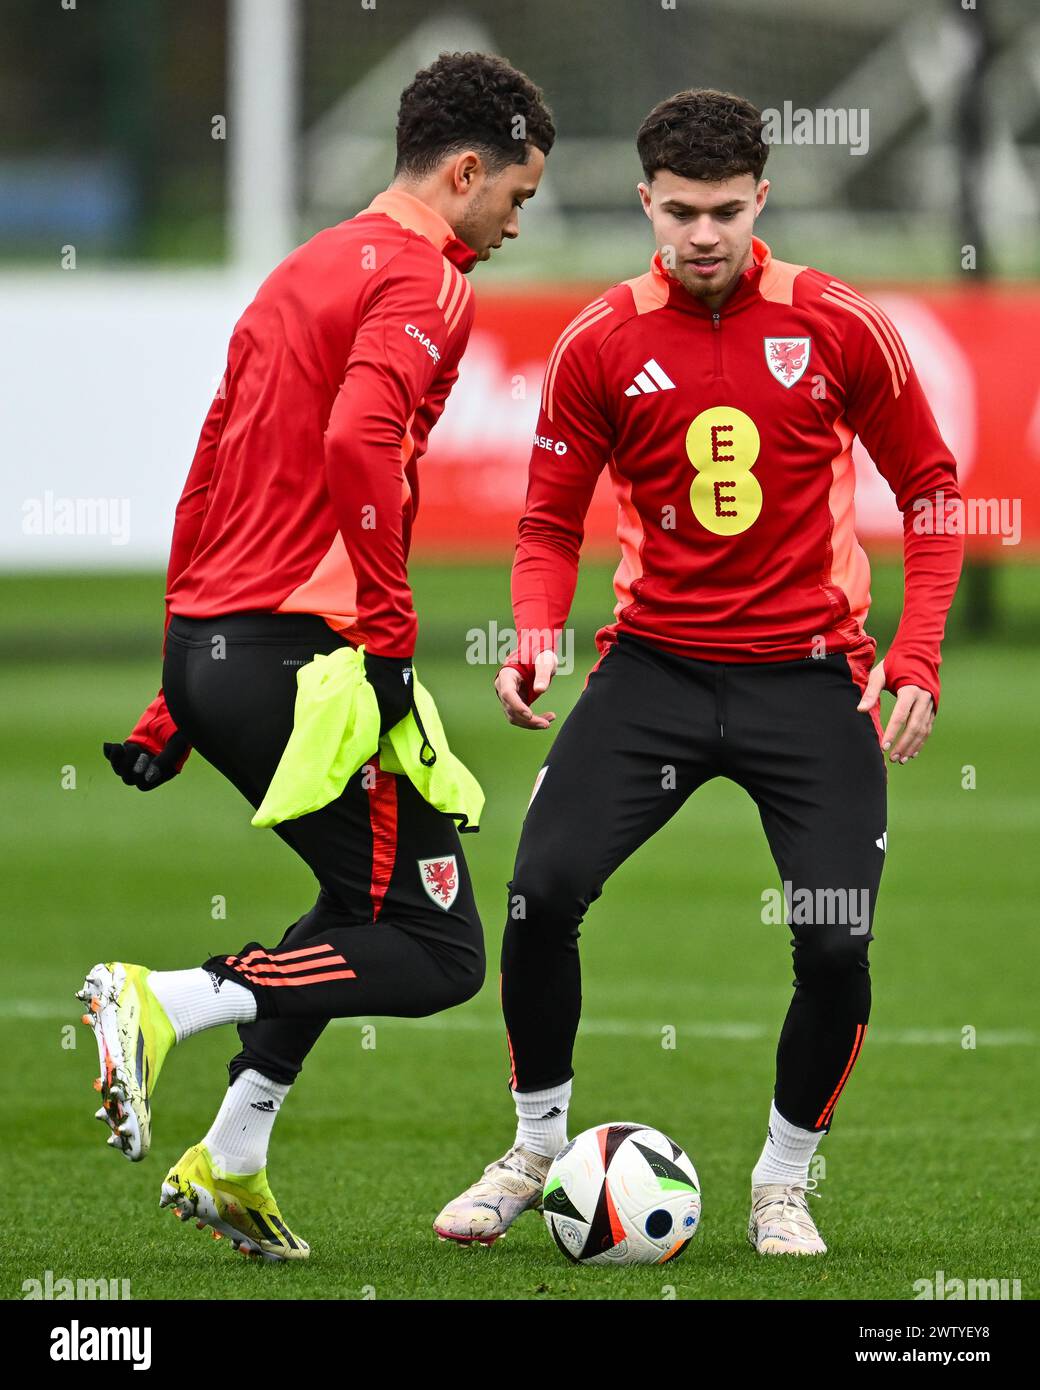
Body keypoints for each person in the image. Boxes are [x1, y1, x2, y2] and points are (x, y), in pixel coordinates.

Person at [435, 87, 962, 1257]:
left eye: (725, 210)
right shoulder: (599, 338)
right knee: (538, 894)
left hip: (810, 682)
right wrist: (532, 629)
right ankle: (532, 1147)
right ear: (644, 204)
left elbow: (932, 490)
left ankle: (782, 1180)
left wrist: (916, 650)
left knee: (831, 942)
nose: (703, 235)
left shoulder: (835, 321)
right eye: (679, 212)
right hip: (654, 676)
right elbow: (544, 524)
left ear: (760, 198)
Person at [80, 51, 554, 1261]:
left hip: (216, 649)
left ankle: (233, 1154)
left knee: (362, 902)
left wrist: (171, 693)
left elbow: (208, 473)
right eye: (515, 195)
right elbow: (358, 441)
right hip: (304, 658)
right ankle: (167, 1000)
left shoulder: (299, 270)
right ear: (463, 171)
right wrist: (389, 636)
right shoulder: (424, 279)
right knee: (441, 948)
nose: (515, 223)